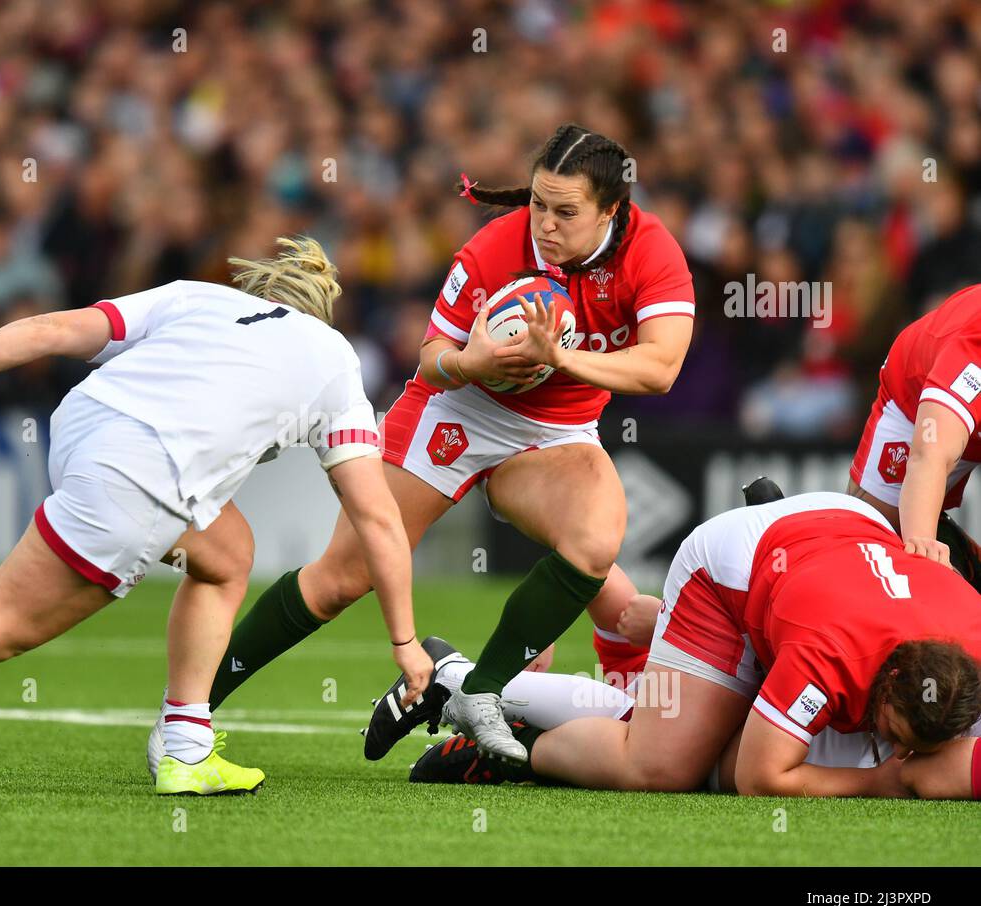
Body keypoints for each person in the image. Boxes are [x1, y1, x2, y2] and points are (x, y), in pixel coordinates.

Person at [0, 237, 433, 797]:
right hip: (138, 478)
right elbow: (375, 519)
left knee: (227, 553)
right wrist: (404, 643)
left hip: (83, 430)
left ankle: (187, 748)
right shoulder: (335, 361)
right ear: (320, 315)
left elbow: (52, 329)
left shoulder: (198, 297)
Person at [180, 123, 695, 767]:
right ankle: (189, 717)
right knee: (342, 579)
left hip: (554, 432)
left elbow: (660, 368)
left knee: (595, 545)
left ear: (611, 212)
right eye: (538, 204)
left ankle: (475, 693)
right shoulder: (495, 246)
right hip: (455, 409)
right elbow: (430, 362)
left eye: (567, 212)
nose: (546, 224)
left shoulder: (651, 253)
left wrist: (558, 358)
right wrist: (472, 363)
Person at [479, 492, 981, 798]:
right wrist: (885, 784)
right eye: (896, 734)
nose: (901, 754)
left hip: (842, 542)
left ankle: (667, 634)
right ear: (891, 680)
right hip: (734, 567)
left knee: (698, 728)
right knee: (661, 767)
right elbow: (759, 777)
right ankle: (479, 702)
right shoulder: (829, 653)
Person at [847, 282, 981, 585]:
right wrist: (923, 547)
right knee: (872, 543)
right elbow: (928, 455)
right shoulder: (974, 351)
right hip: (915, 396)